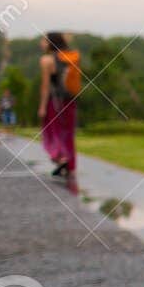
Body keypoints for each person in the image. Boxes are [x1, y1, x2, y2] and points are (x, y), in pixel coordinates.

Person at [38, 31, 80, 187]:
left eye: (43, 40)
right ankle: (70, 166)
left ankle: (60, 158)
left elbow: (45, 86)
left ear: (50, 43)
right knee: (68, 133)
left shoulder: (46, 60)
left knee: (53, 131)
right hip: (70, 100)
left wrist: (42, 107)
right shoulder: (70, 57)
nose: (41, 43)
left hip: (54, 102)